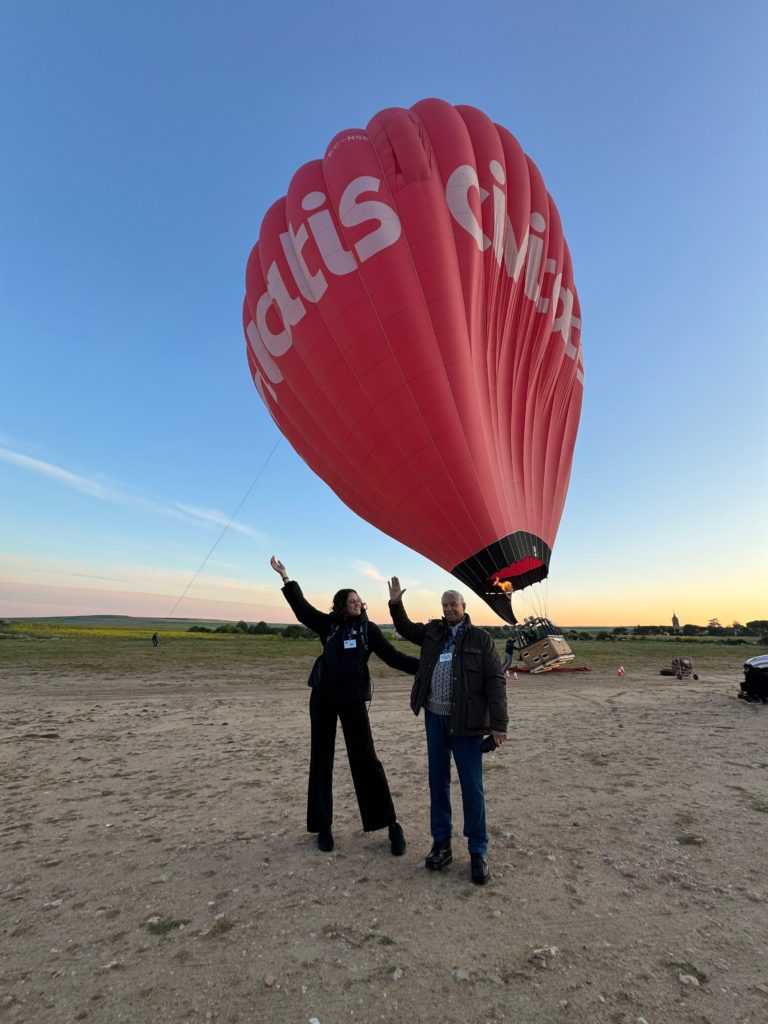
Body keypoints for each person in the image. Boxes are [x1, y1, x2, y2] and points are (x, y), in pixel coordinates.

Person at [270, 556, 419, 855]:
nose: (356, 602)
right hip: (323, 698)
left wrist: (425, 667)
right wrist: (286, 577)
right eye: (351, 599)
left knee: (366, 759)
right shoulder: (329, 626)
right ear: (340, 605)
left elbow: (393, 657)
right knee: (321, 759)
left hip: (353, 700)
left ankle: (390, 824)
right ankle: (323, 827)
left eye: (358, 599)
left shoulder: (369, 630)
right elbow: (302, 610)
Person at [387, 577, 508, 885]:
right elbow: (405, 629)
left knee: (472, 787)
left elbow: (495, 680)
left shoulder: (480, 639)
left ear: (464, 607)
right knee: (437, 783)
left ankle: (478, 851)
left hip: (467, 725)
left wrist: (498, 724)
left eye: (453, 604)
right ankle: (442, 844)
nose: (449, 608)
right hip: (435, 719)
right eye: (444, 605)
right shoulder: (434, 632)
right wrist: (396, 604)